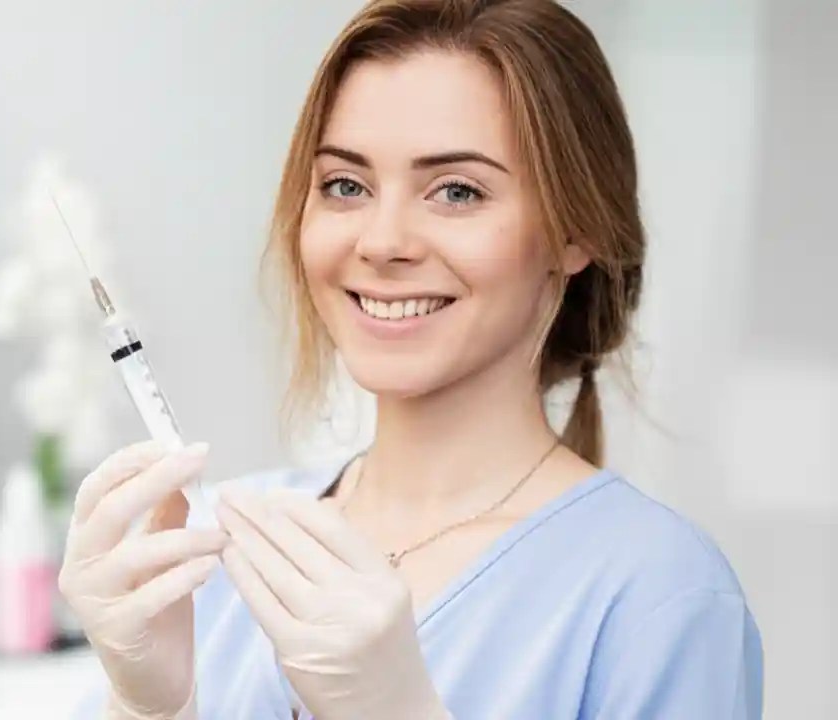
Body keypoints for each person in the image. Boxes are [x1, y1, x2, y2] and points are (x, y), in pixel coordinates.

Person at [59, 0, 764, 718]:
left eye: (457, 191)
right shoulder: (216, 549)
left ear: (571, 231)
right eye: (346, 185)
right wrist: (142, 706)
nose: (382, 240)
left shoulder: (661, 596)